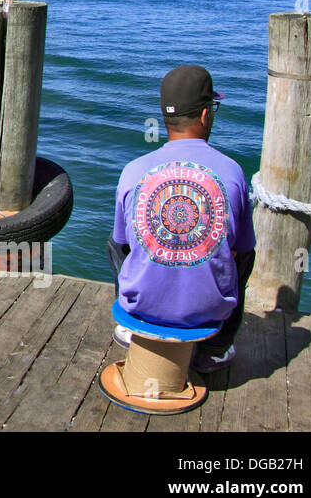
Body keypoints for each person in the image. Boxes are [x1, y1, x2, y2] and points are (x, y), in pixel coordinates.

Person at [109, 64, 256, 372]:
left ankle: (133, 320)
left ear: (165, 118)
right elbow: (243, 252)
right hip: (208, 312)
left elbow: (122, 245)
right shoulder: (232, 172)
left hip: (142, 310)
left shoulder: (133, 170)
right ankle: (215, 347)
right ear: (205, 115)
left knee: (117, 245)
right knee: (244, 253)